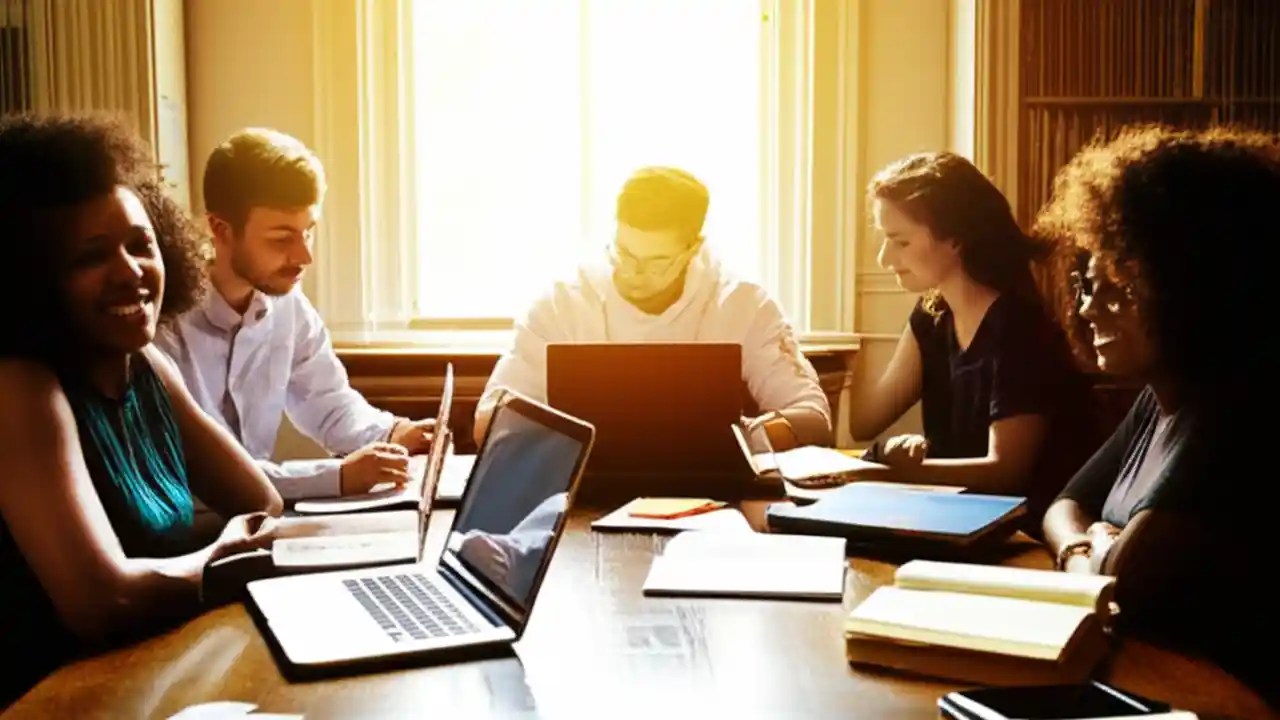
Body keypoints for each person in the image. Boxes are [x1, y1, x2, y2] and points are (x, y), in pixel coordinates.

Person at [0, 113, 284, 706]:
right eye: (90, 258)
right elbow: (102, 602)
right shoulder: (20, 387)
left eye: (140, 245)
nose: (131, 272)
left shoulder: (149, 365)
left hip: (148, 672)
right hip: (47, 698)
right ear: (35, 276)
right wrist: (217, 561)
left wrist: (218, 555)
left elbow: (259, 501)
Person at [1037, 125, 1276, 703]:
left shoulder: (1237, 409)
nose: (1088, 307)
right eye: (1084, 283)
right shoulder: (1157, 397)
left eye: (1116, 285)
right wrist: (1084, 547)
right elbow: (1064, 504)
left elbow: (1124, 582)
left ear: (1195, 283)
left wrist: (1099, 560)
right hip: (1141, 677)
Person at [155, 128, 435, 501]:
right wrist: (337, 477)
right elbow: (207, 474)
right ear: (221, 229)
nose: (304, 257)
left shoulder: (287, 304)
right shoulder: (163, 326)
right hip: (193, 532)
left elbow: (329, 403)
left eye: (309, 233)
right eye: (282, 239)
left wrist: (392, 433)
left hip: (257, 517)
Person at [475, 166, 831, 451]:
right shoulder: (561, 304)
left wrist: (736, 440)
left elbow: (813, 418)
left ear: (694, 249)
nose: (634, 272)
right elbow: (488, 420)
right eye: (624, 253)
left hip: (709, 504)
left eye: (656, 261)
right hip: (581, 497)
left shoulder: (742, 304)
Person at [842, 152, 1098, 522]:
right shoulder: (931, 317)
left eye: (900, 241)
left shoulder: (1019, 328)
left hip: (1022, 533)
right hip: (952, 519)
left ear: (955, 240)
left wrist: (896, 472)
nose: (884, 258)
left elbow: (1006, 473)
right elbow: (864, 424)